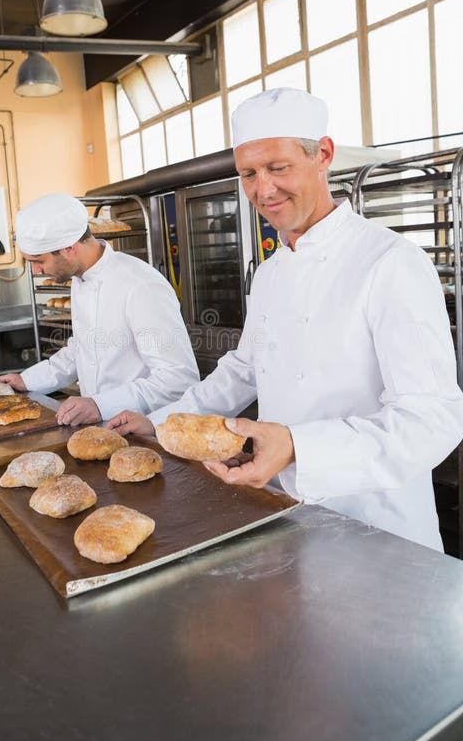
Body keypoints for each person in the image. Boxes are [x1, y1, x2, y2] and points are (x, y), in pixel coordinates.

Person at [107, 87, 463, 551]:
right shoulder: (271, 272)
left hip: (377, 526)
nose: (263, 190)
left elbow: (432, 418)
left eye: (278, 168)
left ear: (324, 155)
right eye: (248, 174)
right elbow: (243, 370)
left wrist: (298, 448)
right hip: (285, 512)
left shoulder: (391, 263)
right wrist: (160, 422)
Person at [0, 193, 199, 426]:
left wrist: (101, 405)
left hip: (145, 430)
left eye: (39, 261)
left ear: (69, 248)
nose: (35, 271)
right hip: (101, 428)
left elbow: (177, 379)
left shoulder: (140, 285)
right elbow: (83, 349)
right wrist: (27, 380)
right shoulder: (80, 278)